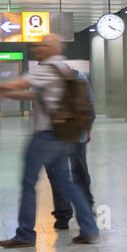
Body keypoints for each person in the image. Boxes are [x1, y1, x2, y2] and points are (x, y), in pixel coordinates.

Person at [0, 34, 99, 248]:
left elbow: (15, 84)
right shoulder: (64, 70)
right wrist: (4, 96)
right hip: (61, 135)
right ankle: (89, 227)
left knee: (28, 183)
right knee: (67, 182)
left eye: (41, 46)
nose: (37, 49)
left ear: (52, 48)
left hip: (45, 136)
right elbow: (34, 96)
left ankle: (25, 233)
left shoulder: (46, 69)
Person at [49, 68, 95, 231]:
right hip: (77, 132)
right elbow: (90, 106)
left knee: (56, 175)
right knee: (80, 171)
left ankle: (62, 217)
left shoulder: (41, 78)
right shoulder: (79, 75)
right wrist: (87, 130)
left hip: (53, 135)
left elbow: (37, 107)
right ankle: (87, 209)